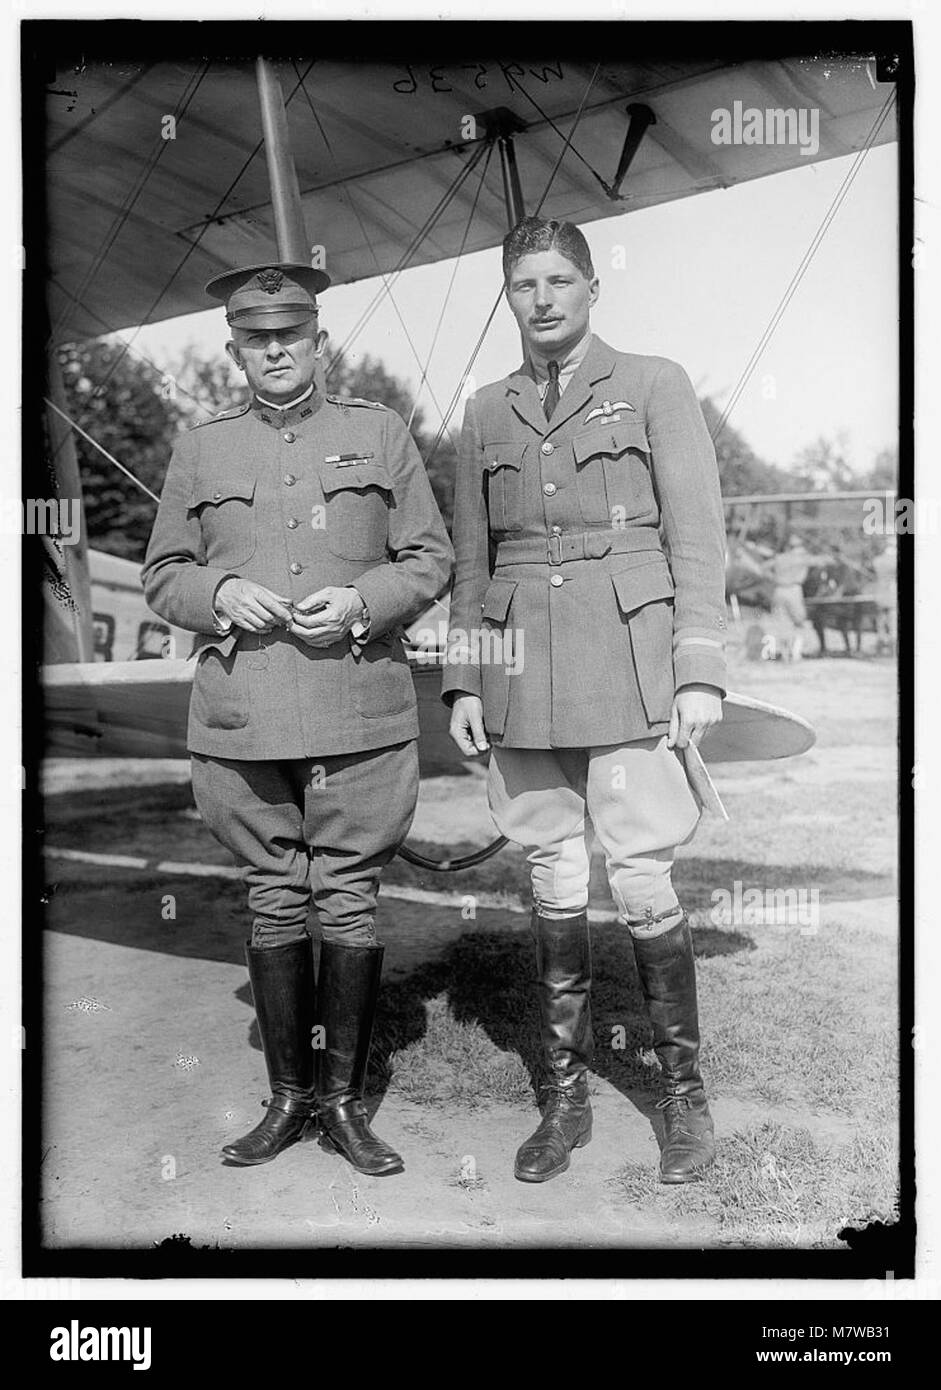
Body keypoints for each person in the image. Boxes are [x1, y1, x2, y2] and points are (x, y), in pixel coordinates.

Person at [142, 261, 453, 1176]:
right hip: (245, 715)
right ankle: (287, 1101)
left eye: (292, 337)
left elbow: (429, 557)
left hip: (359, 708)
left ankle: (345, 1105)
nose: (275, 352)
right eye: (256, 340)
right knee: (275, 893)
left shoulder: (377, 430)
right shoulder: (201, 447)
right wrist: (219, 589)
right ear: (234, 351)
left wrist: (362, 602)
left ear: (319, 342)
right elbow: (164, 572)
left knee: (348, 892)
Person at [444, 217, 726, 1184]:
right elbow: (471, 559)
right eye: (526, 285)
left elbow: (695, 538)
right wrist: (466, 679)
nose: (545, 299)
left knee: (641, 872)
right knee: (551, 871)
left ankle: (680, 1101)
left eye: (561, 280)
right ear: (509, 297)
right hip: (522, 667)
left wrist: (697, 668)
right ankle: (562, 1100)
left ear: (592, 287)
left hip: (630, 655)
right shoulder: (483, 409)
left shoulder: (653, 383)